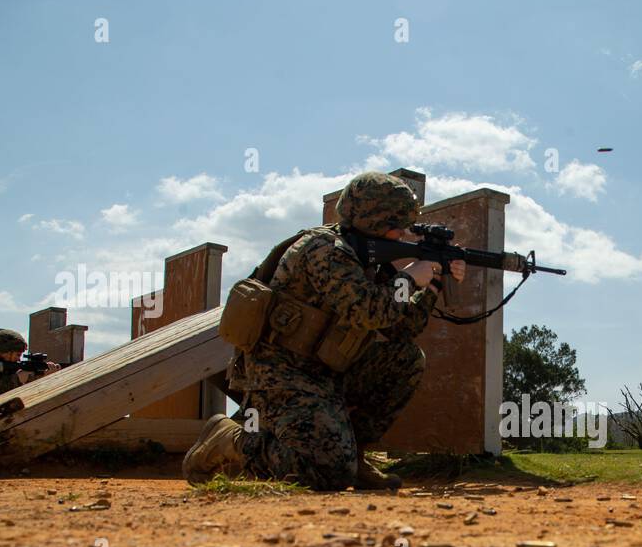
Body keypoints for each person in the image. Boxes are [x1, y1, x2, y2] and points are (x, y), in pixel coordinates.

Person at [182, 171, 465, 489]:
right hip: (279, 376)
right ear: (372, 218)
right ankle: (232, 439)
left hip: (324, 373)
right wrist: (410, 278)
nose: (401, 233)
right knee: (327, 473)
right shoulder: (324, 249)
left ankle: (352, 455)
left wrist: (434, 281)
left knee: (405, 358)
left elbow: (403, 328)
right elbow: (368, 310)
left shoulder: (365, 259)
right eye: (396, 224)